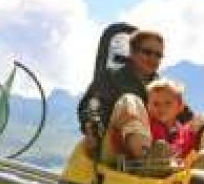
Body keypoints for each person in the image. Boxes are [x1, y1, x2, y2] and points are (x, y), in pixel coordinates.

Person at [77, 29, 165, 160]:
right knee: (130, 100)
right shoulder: (110, 77)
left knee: (203, 121)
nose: (153, 58)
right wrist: (92, 129)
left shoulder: (163, 87)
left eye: (158, 55)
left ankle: (199, 162)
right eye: (147, 52)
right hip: (115, 148)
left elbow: (182, 115)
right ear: (132, 53)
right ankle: (145, 157)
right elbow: (91, 107)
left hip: (158, 146)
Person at [146, 79, 195, 159]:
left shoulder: (185, 133)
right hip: (152, 166)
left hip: (179, 168)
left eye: (168, 103)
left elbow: (190, 146)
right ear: (148, 106)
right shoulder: (147, 126)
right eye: (155, 104)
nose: (161, 108)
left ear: (180, 106)